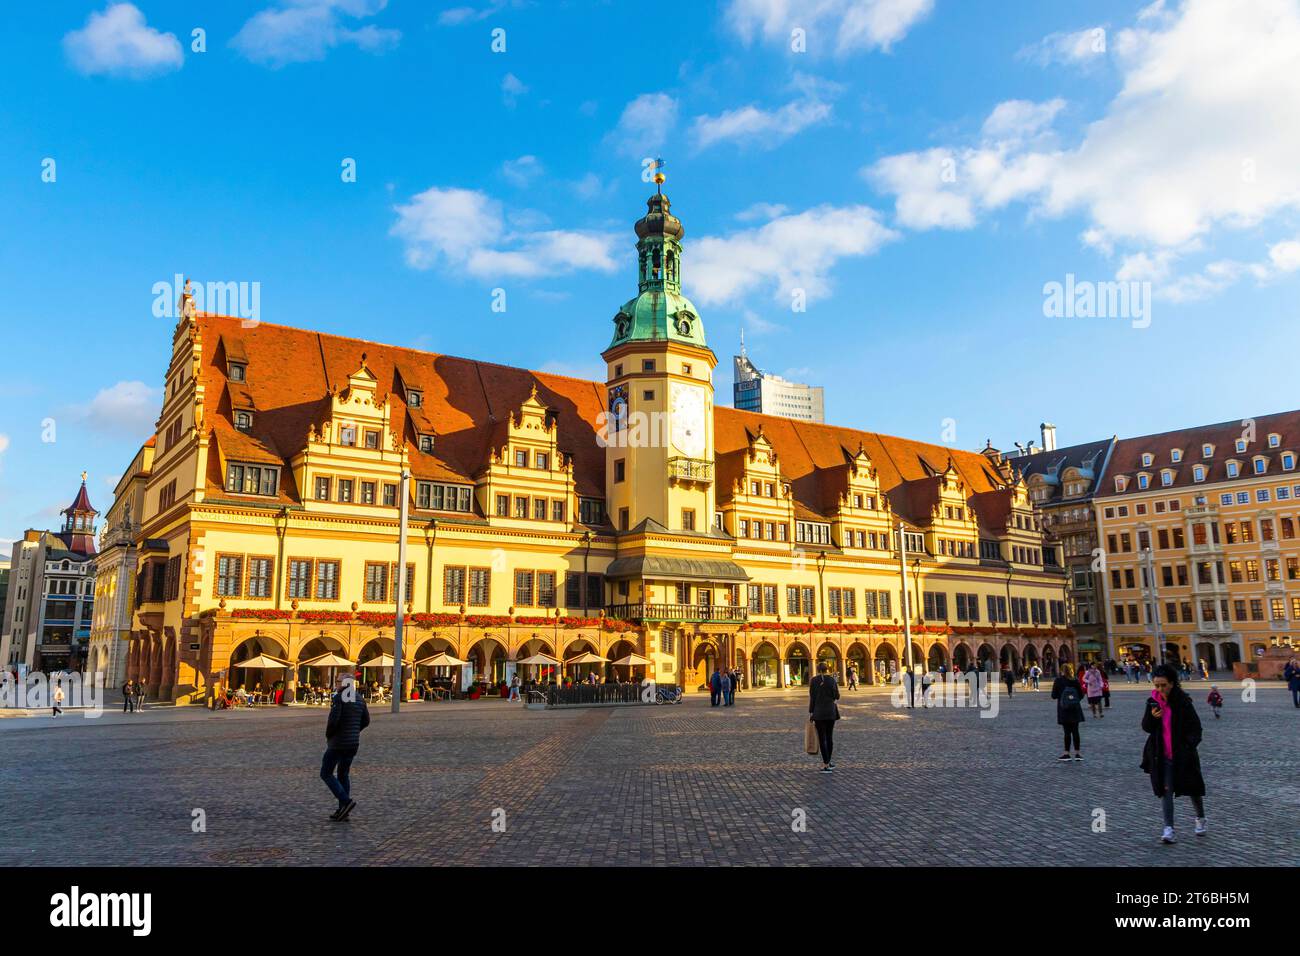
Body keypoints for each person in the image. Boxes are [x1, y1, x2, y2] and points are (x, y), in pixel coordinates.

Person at [1141, 663, 1207, 843]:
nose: (1160, 689)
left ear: (1172, 683)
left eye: (1164, 685)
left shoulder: (1183, 702)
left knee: (1193, 790)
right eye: (1157, 685)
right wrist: (1153, 718)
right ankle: (1168, 828)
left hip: (1183, 754)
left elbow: (1196, 729)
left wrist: (1188, 747)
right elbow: (1146, 727)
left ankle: (1200, 817)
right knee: (1166, 791)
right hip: (1162, 755)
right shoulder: (1152, 702)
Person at [322, 674, 370, 822]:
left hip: (338, 743)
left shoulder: (339, 698)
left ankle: (346, 801)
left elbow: (334, 721)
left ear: (343, 683)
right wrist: (355, 731)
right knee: (343, 774)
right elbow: (366, 720)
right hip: (352, 743)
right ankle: (344, 811)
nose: (335, 684)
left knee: (326, 773)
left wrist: (329, 734)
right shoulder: (359, 699)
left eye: (337, 681)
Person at [808, 661, 841, 773]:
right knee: (829, 737)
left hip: (819, 713)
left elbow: (812, 698)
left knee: (822, 738)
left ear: (818, 670)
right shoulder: (831, 680)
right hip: (830, 712)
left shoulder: (814, 680)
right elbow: (837, 696)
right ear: (827, 669)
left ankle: (826, 764)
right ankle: (828, 761)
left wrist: (811, 712)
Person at [1051, 664, 1085, 761]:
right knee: (1075, 731)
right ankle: (1078, 753)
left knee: (1066, 732)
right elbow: (1081, 695)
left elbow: (1053, 695)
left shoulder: (1058, 681)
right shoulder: (1075, 680)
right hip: (1075, 708)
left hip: (1064, 709)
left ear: (1062, 670)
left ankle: (1067, 753)